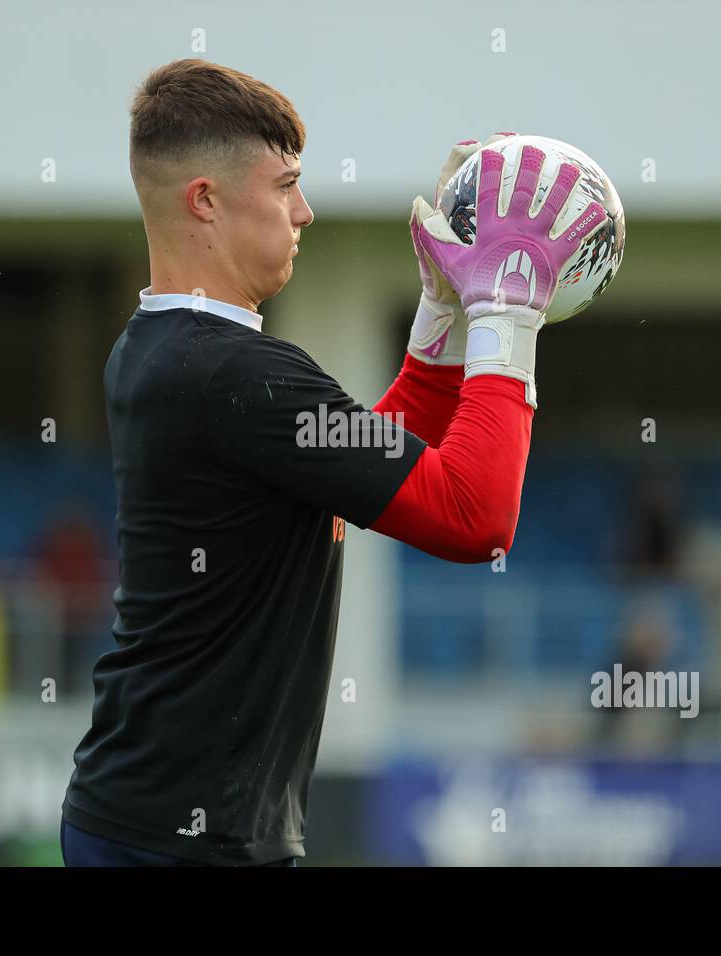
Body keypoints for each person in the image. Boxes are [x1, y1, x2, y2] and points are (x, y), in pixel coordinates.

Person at [61, 58, 593, 866]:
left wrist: (441, 315)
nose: (305, 211)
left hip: (148, 816)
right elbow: (475, 517)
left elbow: (341, 481)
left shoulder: (158, 350)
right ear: (205, 199)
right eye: (285, 185)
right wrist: (506, 317)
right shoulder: (241, 376)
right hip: (189, 839)